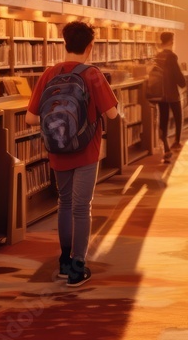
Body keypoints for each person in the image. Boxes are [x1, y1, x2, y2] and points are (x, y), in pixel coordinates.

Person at [26, 21, 119, 287]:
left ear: (64, 42)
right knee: (82, 207)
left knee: (64, 204)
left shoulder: (49, 73)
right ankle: (78, 267)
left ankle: (65, 262)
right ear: (90, 46)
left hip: (57, 150)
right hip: (86, 151)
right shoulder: (92, 74)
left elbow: (31, 119)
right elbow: (112, 114)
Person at [153, 31, 186, 162]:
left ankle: (165, 147)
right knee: (178, 116)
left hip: (160, 93)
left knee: (163, 119)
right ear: (171, 41)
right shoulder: (172, 56)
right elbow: (177, 74)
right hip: (172, 93)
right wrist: (183, 83)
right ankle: (177, 142)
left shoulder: (158, 56)